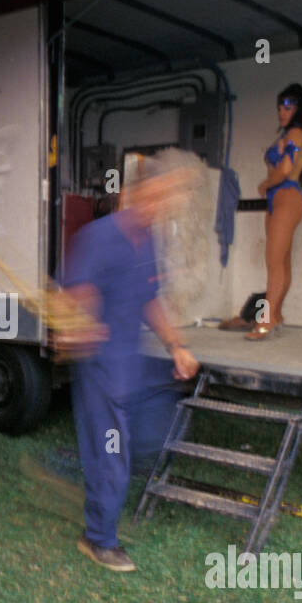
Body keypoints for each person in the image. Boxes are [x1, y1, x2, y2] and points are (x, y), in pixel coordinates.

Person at [59, 150, 201, 573]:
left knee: (154, 434)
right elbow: (75, 294)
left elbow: (149, 299)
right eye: (157, 196)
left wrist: (176, 345)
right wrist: (79, 325)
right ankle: (98, 538)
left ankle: (71, 470)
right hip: (100, 367)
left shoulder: (149, 240)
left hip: (129, 362)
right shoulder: (98, 237)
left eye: (169, 199)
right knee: (113, 451)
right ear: (135, 193)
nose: (161, 206)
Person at [249, 83, 302, 340]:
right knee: (281, 262)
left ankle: (267, 319)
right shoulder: (291, 134)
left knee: (275, 262)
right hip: (279, 199)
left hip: (286, 197)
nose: (281, 112)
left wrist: (265, 184)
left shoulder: (297, 134)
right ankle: (275, 315)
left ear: (299, 108)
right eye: (279, 107)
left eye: (288, 107)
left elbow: (286, 169)